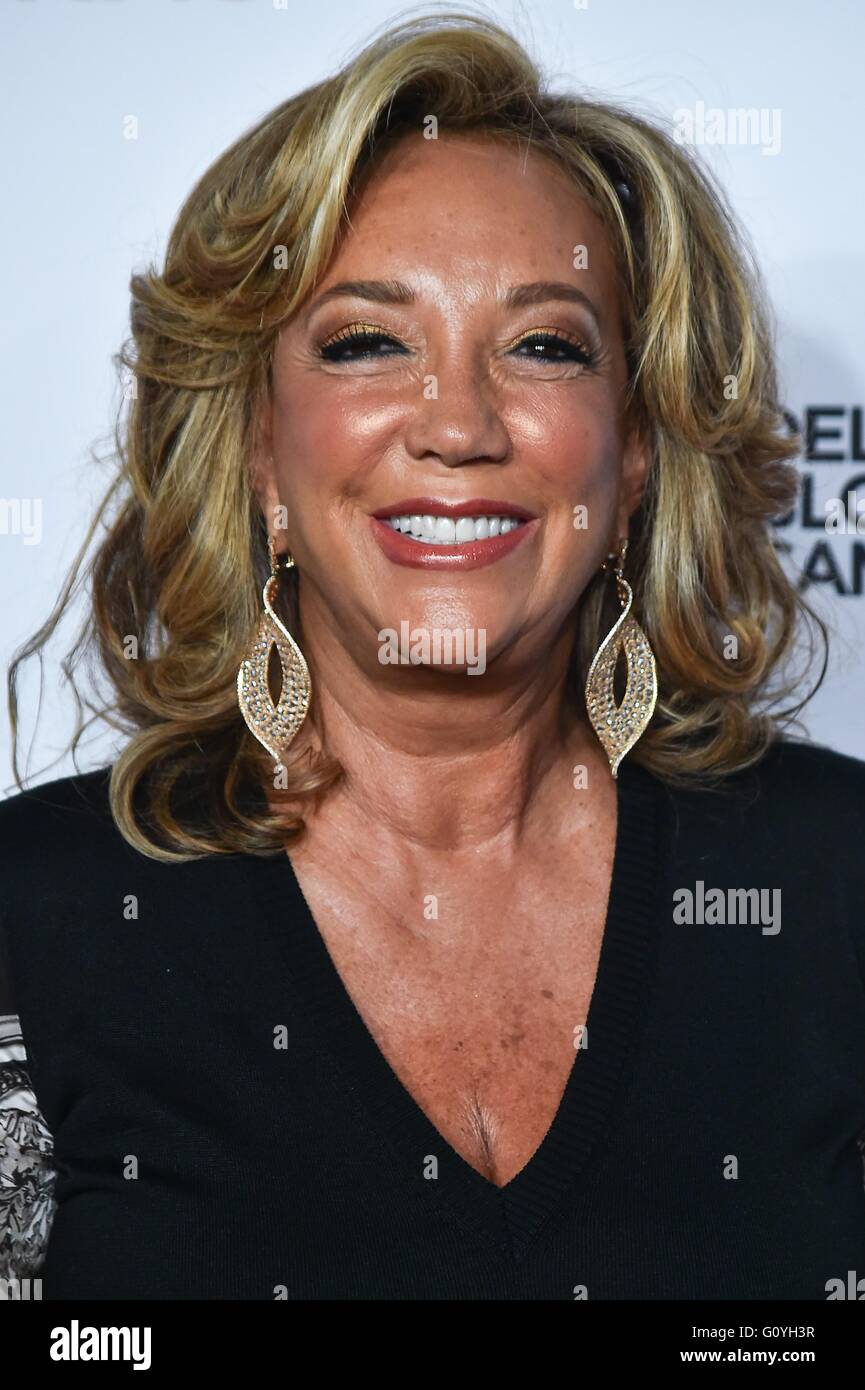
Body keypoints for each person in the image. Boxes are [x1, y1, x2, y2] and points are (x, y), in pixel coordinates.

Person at [2, 11, 864, 1300]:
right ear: (255, 455)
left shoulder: (836, 881)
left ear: (633, 460)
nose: (457, 424)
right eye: (367, 341)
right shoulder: (34, 917)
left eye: (545, 345)